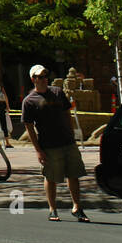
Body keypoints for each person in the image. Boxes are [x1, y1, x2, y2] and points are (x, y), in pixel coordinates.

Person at [22, 64, 89, 222]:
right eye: (40, 77)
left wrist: (72, 133)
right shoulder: (29, 101)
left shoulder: (58, 92)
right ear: (33, 79)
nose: (44, 79)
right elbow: (29, 127)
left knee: (74, 174)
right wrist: (38, 150)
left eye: (45, 76)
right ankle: (52, 209)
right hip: (49, 144)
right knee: (50, 176)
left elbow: (67, 113)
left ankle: (77, 207)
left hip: (67, 141)